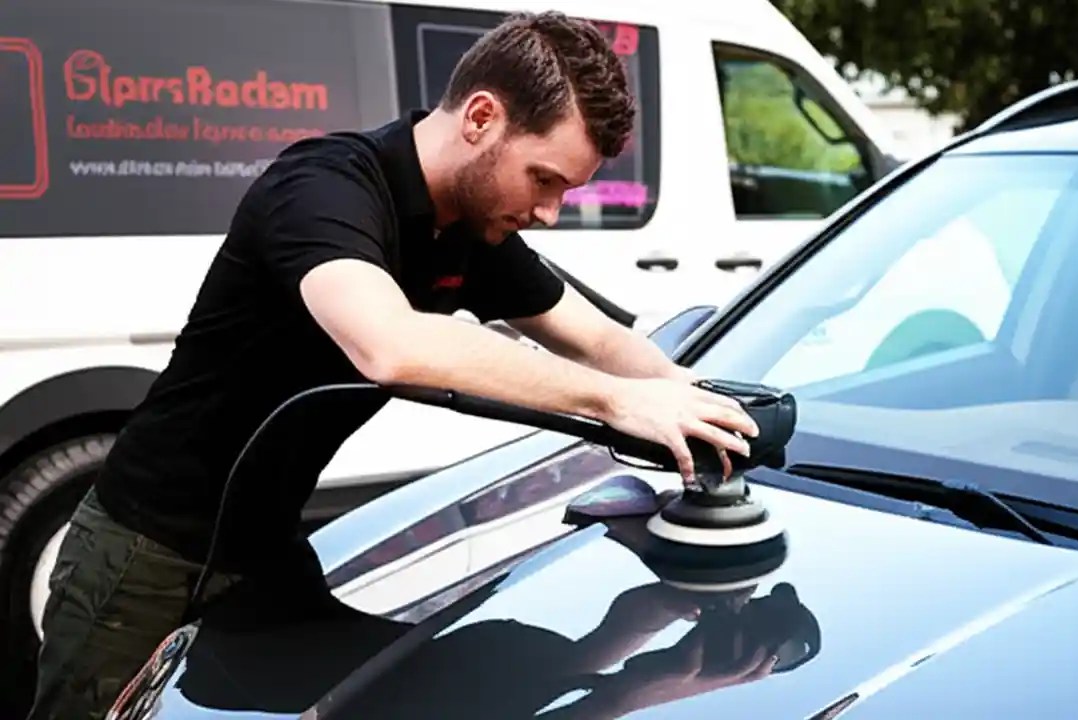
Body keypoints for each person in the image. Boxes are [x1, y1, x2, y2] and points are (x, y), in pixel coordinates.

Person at [26, 11, 759, 720]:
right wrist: (615, 404)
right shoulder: (324, 187)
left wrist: (704, 402)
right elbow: (390, 345)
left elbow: (599, 340)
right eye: (545, 179)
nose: (549, 213)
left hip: (269, 552)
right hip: (142, 556)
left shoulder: (470, 231)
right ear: (480, 118)